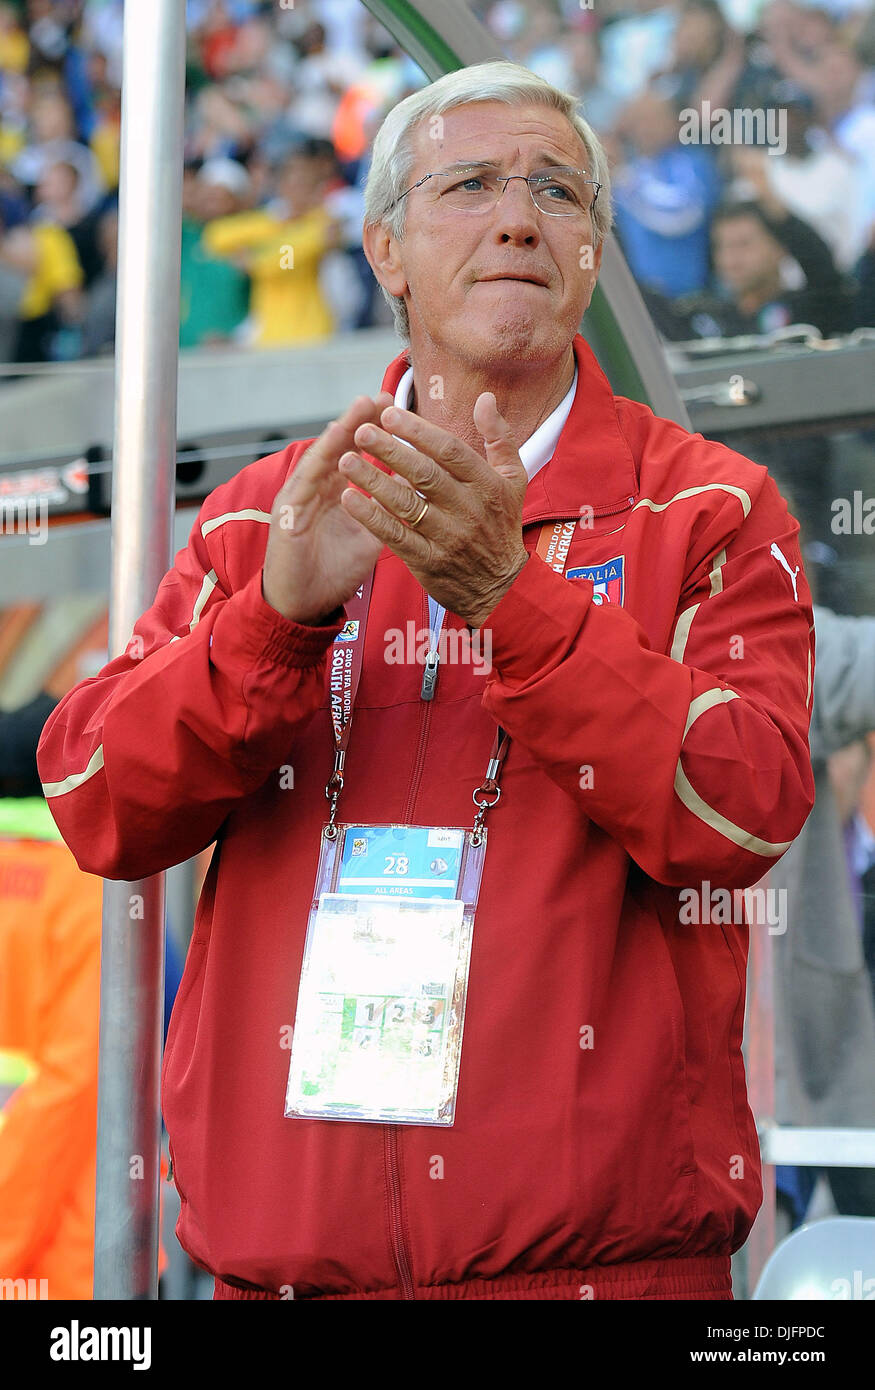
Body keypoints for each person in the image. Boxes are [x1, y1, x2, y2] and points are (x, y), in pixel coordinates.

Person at [38, 59, 815, 1302]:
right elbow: (95, 799)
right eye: (471, 183)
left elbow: (739, 810)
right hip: (285, 1272)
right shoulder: (262, 519)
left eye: (556, 191)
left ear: (592, 255)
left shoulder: (707, 507)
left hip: (596, 1276)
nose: (518, 215)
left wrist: (509, 597)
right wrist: (274, 625)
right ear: (384, 251)